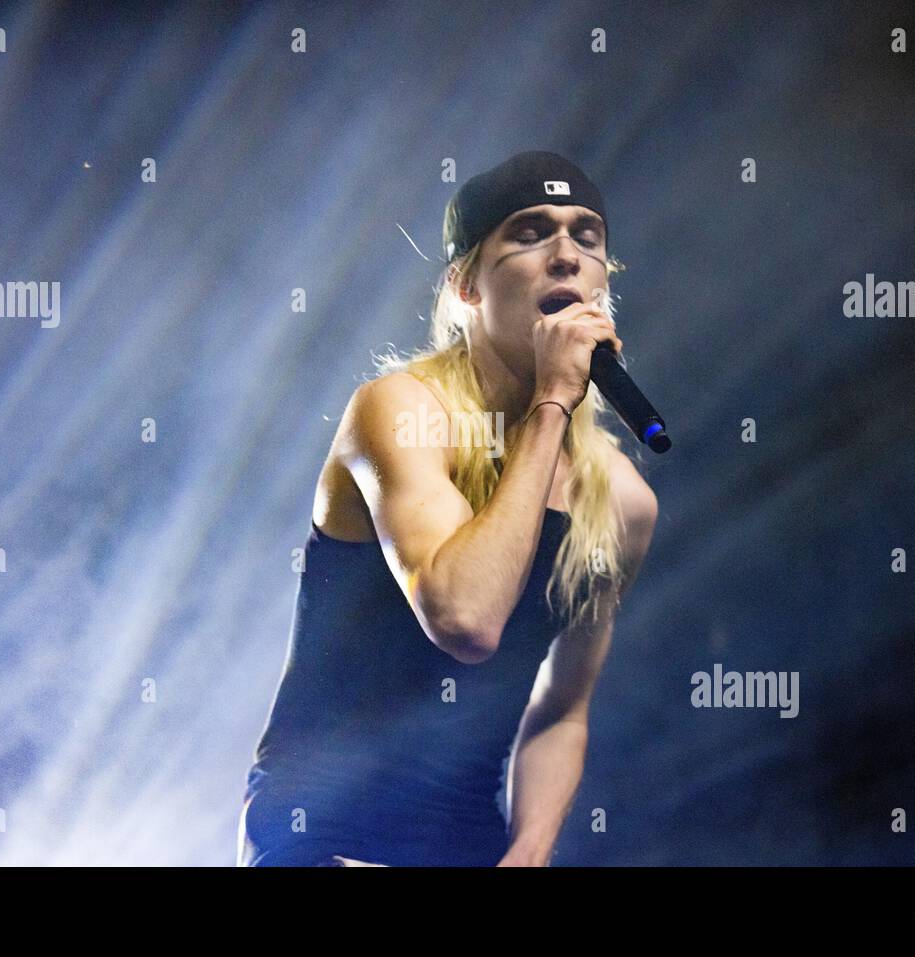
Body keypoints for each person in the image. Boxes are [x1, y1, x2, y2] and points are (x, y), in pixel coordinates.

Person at [238, 151, 658, 867]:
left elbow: (561, 710)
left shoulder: (619, 501)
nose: (566, 255)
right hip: (321, 837)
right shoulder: (400, 413)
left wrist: (530, 849)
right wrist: (552, 403)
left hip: (465, 842)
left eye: (587, 236)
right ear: (466, 284)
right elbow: (466, 619)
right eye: (530, 233)